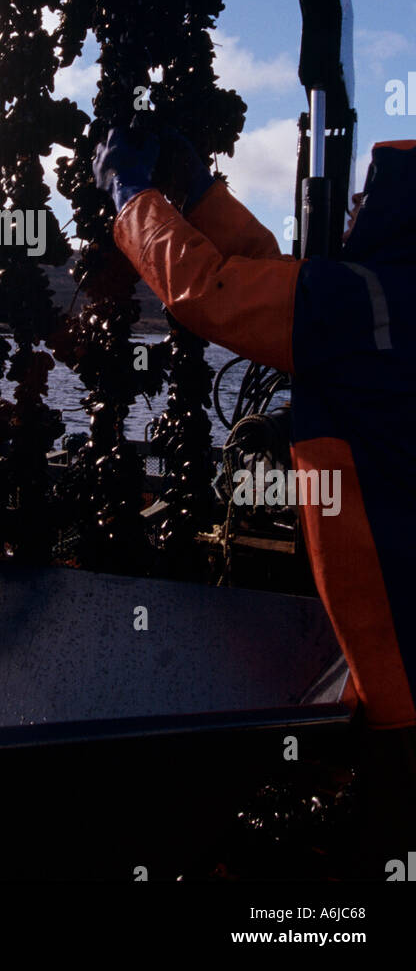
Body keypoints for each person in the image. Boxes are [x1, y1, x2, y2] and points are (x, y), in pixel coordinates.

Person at [93, 122, 416, 873]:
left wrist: (131, 194)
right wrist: (202, 196)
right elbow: (277, 277)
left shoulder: (363, 304)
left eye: (369, 198)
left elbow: (209, 291)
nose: (355, 209)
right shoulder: (377, 303)